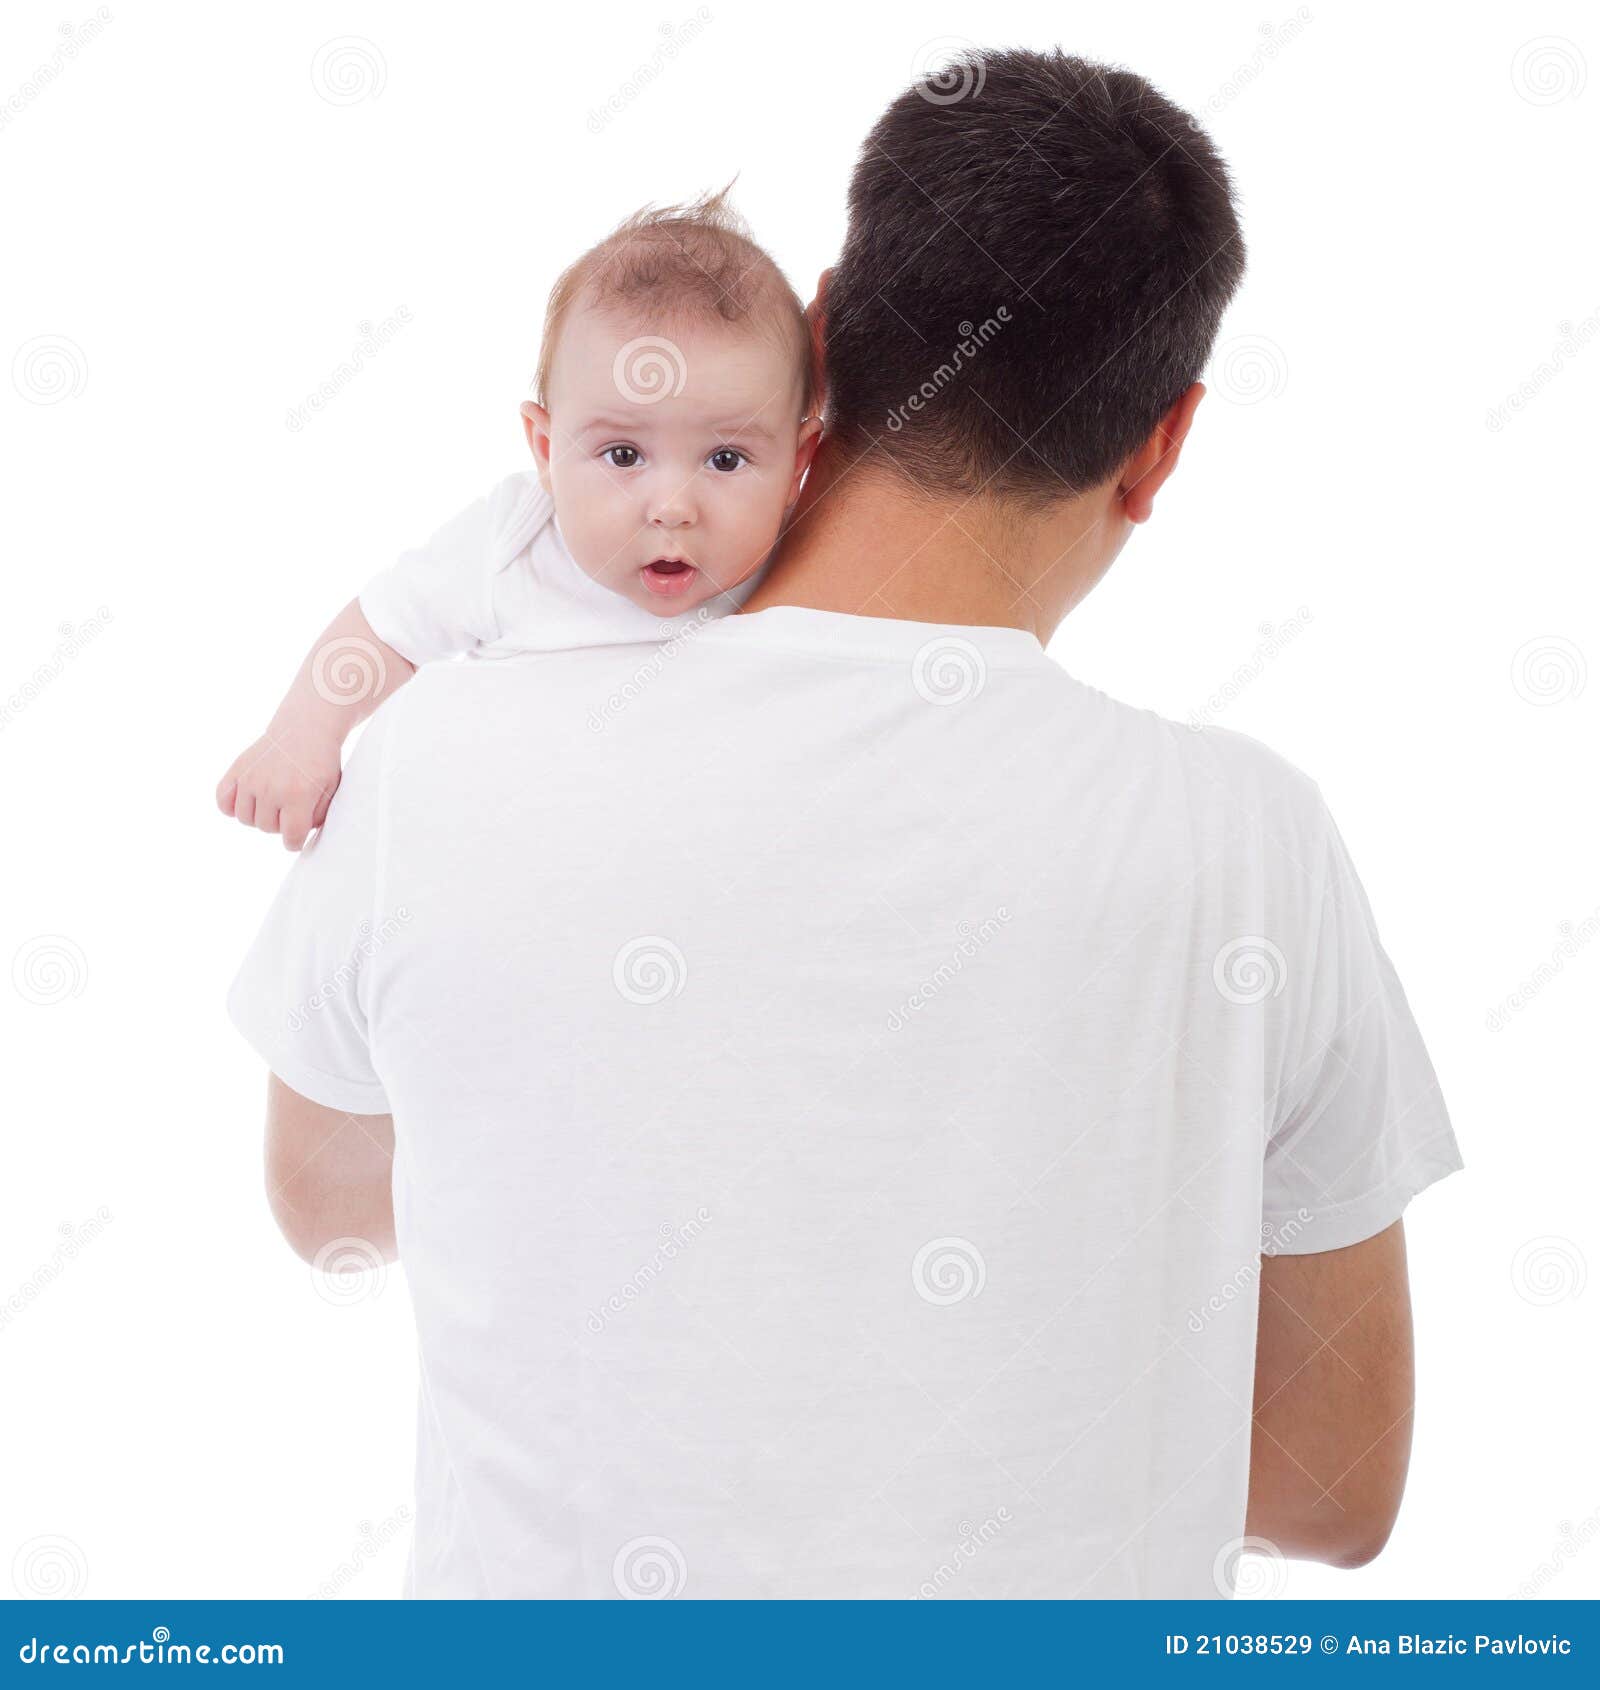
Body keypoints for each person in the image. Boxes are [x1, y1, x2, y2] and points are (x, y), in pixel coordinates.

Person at [226, 47, 1462, 1598]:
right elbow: (1329, 1486)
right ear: (1164, 443)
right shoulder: (1250, 846)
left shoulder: (434, 754)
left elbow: (328, 1201)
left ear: (819, 327)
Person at [215, 189, 820, 851]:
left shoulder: (808, 548)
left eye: (726, 459)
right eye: (623, 454)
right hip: (520, 841)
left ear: (797, 464)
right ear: (545, 451)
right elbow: (385, 626)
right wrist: (302, 736)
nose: (673, 507)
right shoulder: (517, 540)